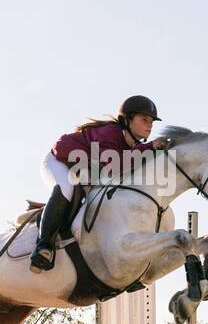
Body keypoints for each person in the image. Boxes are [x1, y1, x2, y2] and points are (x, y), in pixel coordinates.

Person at [31, 95, 169, 272]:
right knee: (66, 189)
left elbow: (133, 156)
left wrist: (155, 148)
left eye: (151, 121)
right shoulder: (110, 133)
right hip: (58, 161)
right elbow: (116, 167)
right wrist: (151, 147)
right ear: (127, 120)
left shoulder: (128, 142)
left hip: (82, 167)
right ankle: (43, 246)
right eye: (144, 120)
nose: (150, 125)